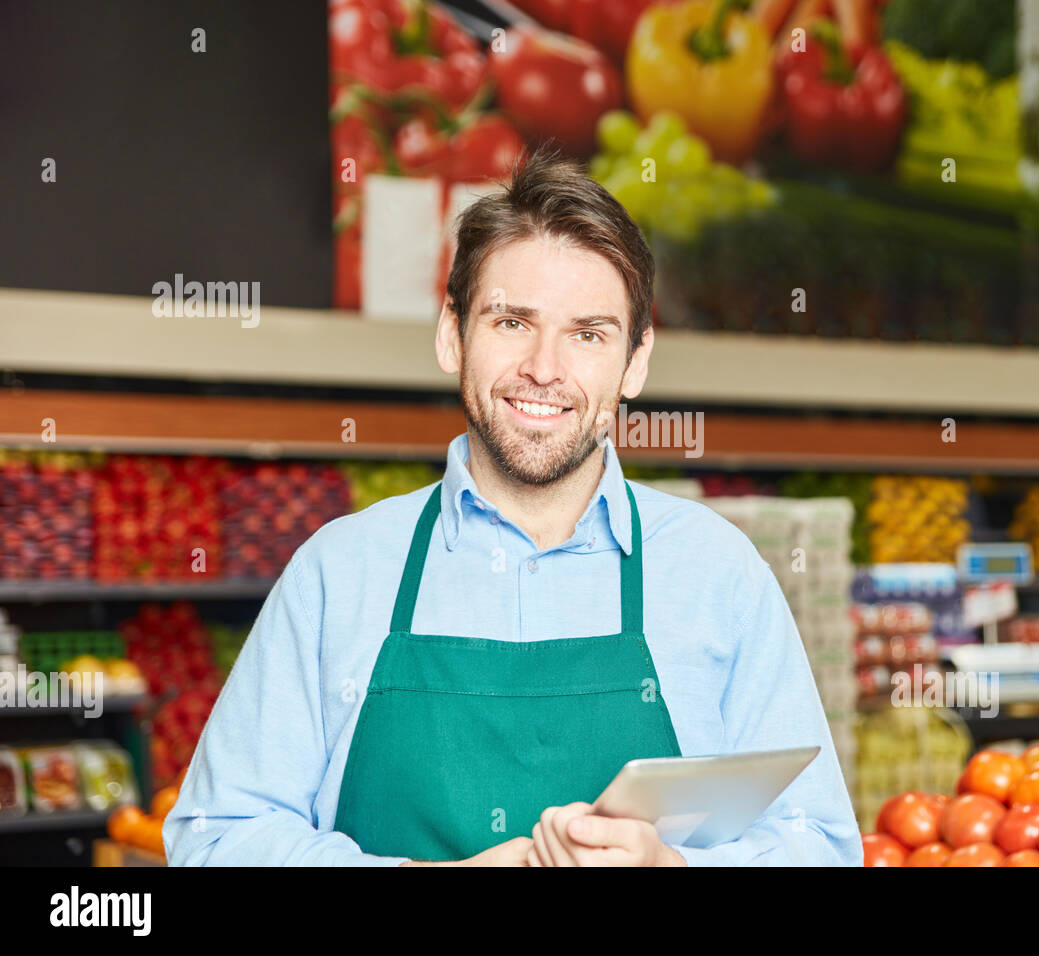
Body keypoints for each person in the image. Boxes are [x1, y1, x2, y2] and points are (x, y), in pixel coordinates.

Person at [164, 150, 863, 866]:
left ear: (637, 363)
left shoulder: (718, 576)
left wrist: (672, 867)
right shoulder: (338, 575)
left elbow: (820, 845)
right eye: (511, 323)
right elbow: (216, 837)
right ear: (451, 334)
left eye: (588, 334)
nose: (545, 369)